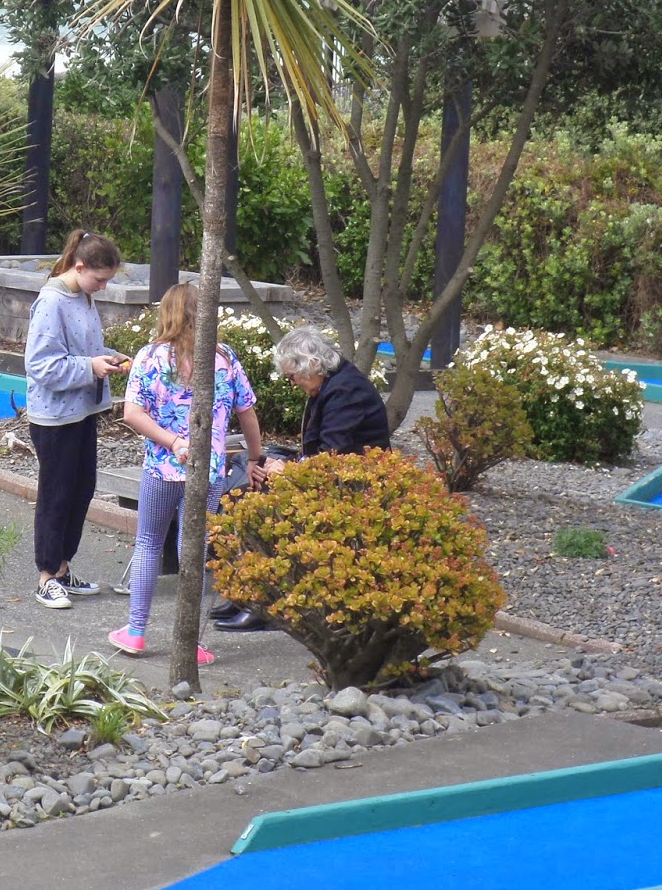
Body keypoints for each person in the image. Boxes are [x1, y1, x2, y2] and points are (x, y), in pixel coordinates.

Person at [108, 283, 264, 662]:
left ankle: (136, 632)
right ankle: (189, 642)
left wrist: (172, 442)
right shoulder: (223, 357)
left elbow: (132, 414)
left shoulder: (149, 357)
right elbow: (246, 412)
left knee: (148, 542)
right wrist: (256, 457)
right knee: (193, 549)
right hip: (210, 470)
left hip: (162, 468)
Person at [212, 325, 391, 632]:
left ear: (311, 366)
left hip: (353, 482)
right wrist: (281, 463)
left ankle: (266, 604)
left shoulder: (345, 391)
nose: (292, 383)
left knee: (260, 510)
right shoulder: (331, 383)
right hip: (337, 473)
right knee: (244, 492)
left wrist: (289, 469)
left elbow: (331, 454)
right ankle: (248, 595)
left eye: (293, 376)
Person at [24, 228, 124, 609]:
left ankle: (63, 570)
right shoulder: (51, 302)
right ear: (80, 267)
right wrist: (91, 366)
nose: (102, 287)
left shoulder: (82, 296)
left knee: (81, 490)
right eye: (99, 279)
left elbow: (85, 350)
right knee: (56, 496)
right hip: (54, 417)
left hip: (82, 411)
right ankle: (46, 576)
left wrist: (108, 358)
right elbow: (42, 366)